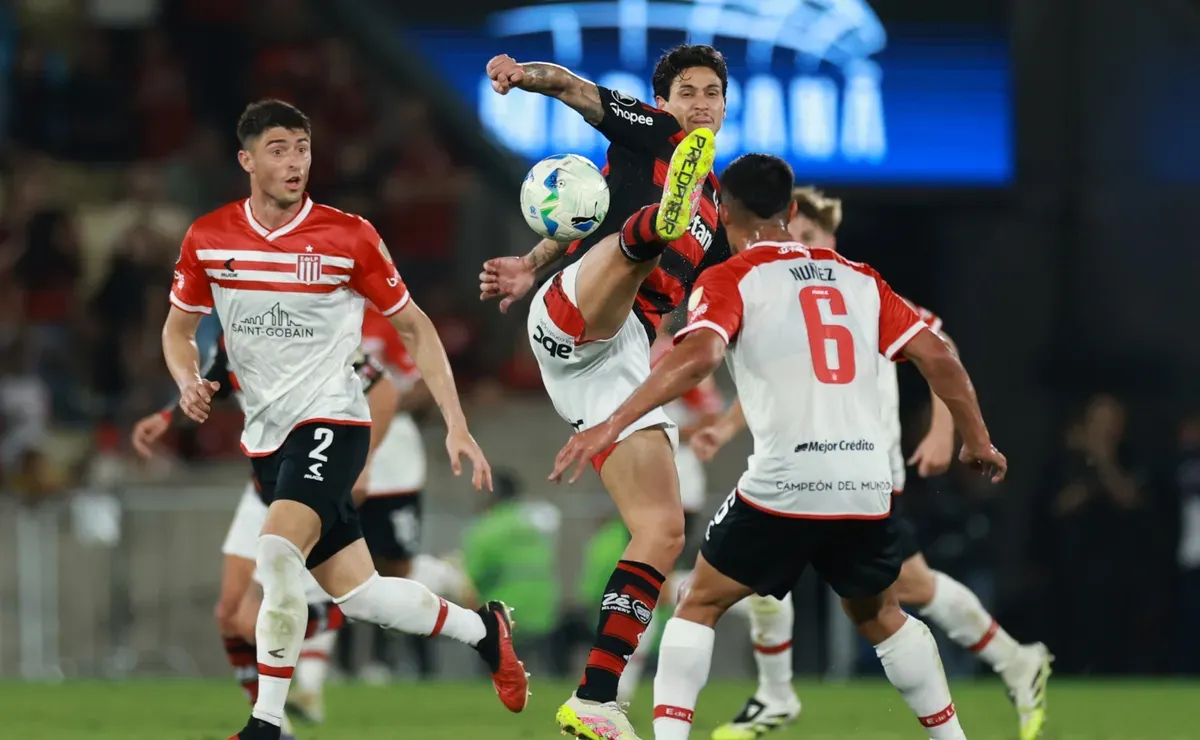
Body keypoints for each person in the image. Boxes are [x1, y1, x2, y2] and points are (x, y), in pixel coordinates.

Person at [551, 153, 1007, 740]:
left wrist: (611, 422)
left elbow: (700, 356)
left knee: (697, 602)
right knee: (879, 612)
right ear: (791, 211)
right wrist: (978, 440)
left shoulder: (730, 277)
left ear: (721, 213)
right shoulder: (862, 277)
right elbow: (938, 357)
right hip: (867, 487)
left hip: (785, 484)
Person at [160, 99, 527, 740]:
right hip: (266, 438)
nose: (295, 161)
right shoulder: (209, 237)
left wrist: (456, 422)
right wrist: (188, 380)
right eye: (279, 149)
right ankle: (482, 630)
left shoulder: (349, 236)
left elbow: (415, 327)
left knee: (274, 554)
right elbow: (178, 330)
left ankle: (267, 725)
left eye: (302, 147)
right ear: (247, 160)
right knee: (363, 595)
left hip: (332, 422)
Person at [698, 187, 1052, 740]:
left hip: (866, 470)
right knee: (798, 577)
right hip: (817, 466)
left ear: (829, 239)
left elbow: (939, 349)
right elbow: (784, 376)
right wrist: (723, 426)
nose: (795, 247)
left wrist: (943, 429)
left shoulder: (858, 289)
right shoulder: (786, 298)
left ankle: (1012, 661)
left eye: (810, 238)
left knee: (898, 590)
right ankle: (777, 692)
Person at [481, 45, 728, 739]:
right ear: (665, 99)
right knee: (632, 248)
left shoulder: (716, 199)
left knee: (664, 528)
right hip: (579, 314)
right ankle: (656, 227)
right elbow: (569, 85)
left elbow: (585, 222)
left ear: (727, 103)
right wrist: (520, 76)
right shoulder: (653, 131)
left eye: (712, 92)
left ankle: (594, 697)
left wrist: (528, 263)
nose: (701, 103)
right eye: (688, 91)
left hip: (615, 355)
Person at [131, 333, 397, 740]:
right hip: (261, 488)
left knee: (272, 610)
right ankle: (279, 726)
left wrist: (366, 464)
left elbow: (383, 390)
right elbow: (208, 382)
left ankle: (328, 628)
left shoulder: (305, 326)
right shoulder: (231, 336)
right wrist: (165, 417)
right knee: (230, 617)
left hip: (306, 483)